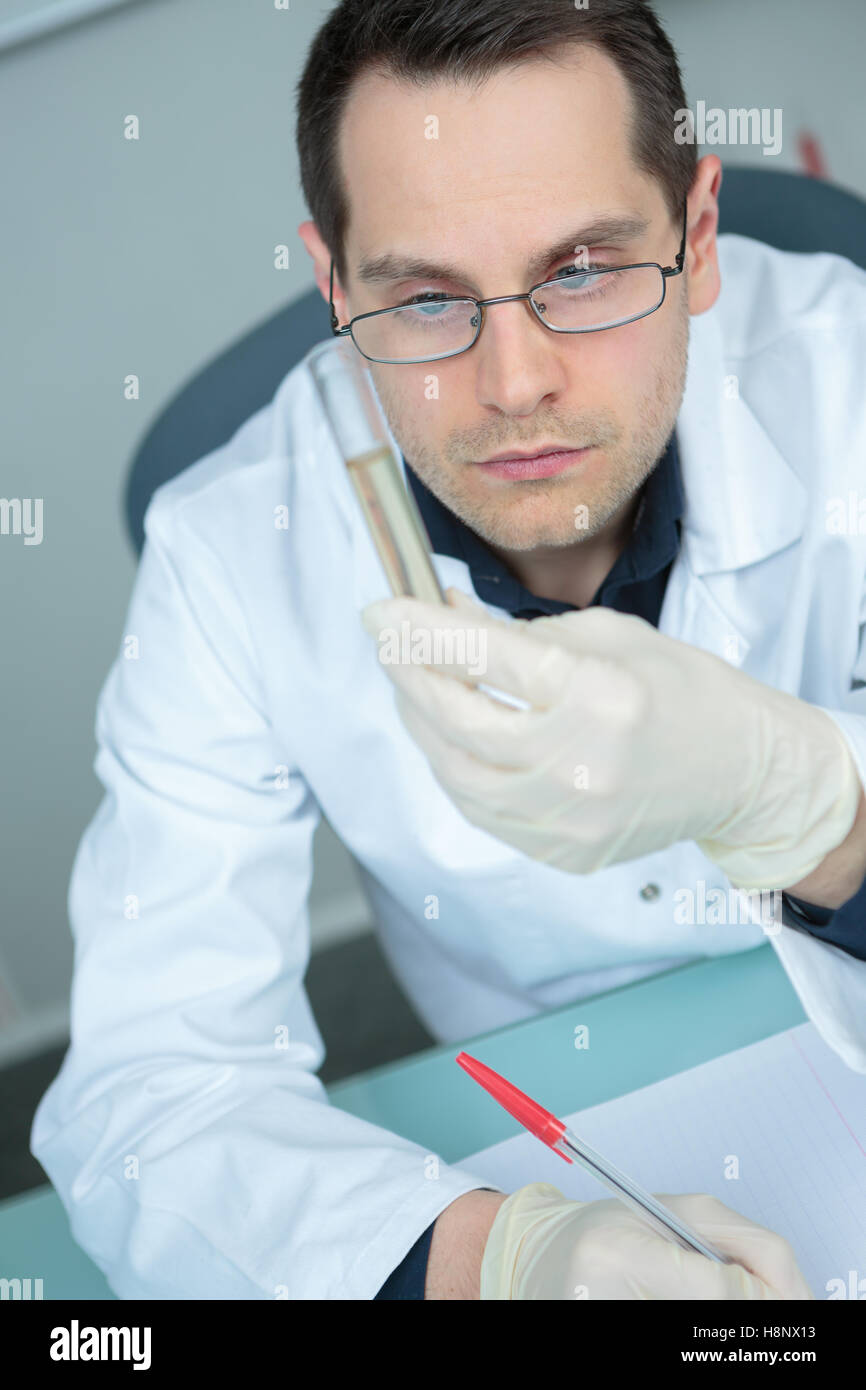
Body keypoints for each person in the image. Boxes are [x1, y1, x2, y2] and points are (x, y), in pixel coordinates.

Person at [32, 0, 866, 1300]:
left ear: (696, 238)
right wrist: (505, 1261)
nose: (513, 379)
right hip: (545, 1100)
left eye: (582, 270)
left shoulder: (849, 369)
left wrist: (814, 799)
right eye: (424, 298)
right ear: (331, 284)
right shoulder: (230, 551)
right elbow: (146, 1097)